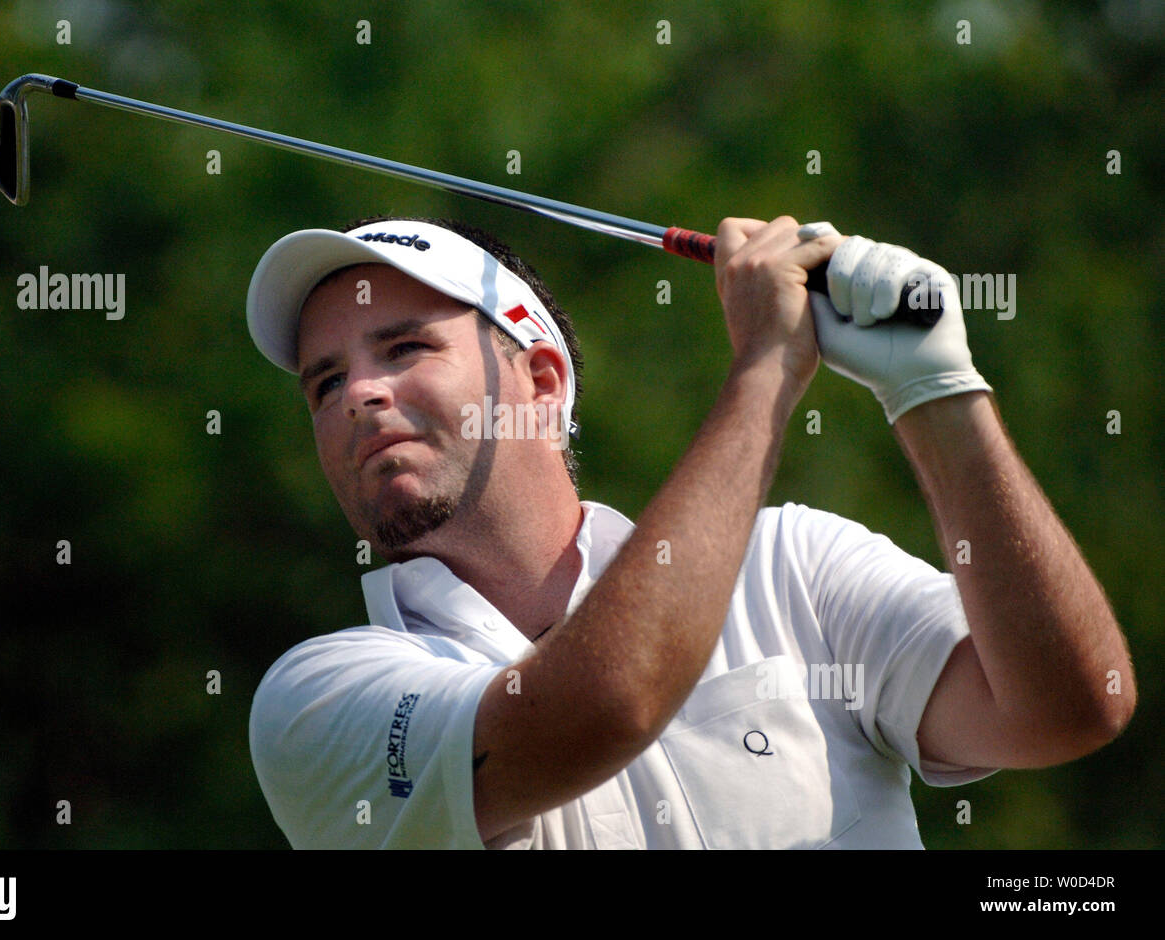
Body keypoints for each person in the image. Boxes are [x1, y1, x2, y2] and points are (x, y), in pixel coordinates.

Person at [245, 214, 1136, 849]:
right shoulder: (319, 696)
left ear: (544, 383)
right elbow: (609, 704)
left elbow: (1069, 706)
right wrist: (767, 369)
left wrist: (936, 392)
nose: (358, 393)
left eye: (404, 349)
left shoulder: (794, 563)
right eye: (325, 382)